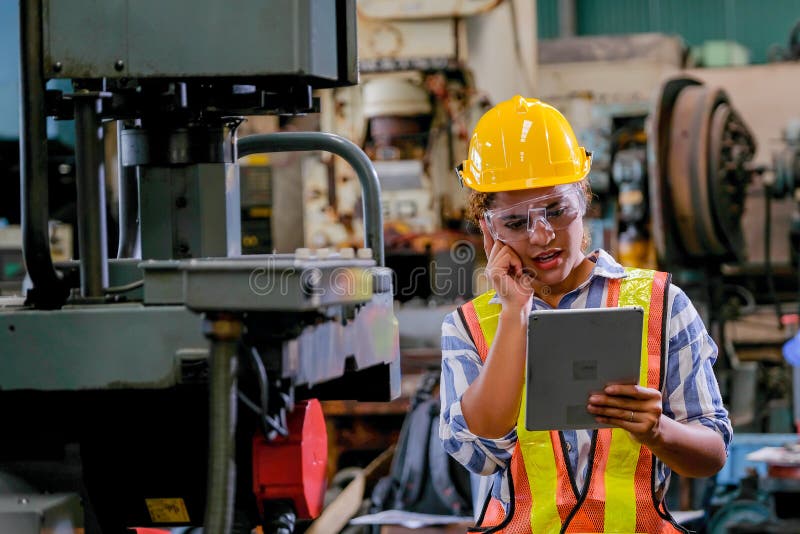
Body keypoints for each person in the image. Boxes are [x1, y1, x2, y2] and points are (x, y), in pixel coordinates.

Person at [439, 95, 731, 533]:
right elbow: (481, 453)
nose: (541, 236)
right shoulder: (470, 327)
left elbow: (711, 455)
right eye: (515, 222)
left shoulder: (661, 304)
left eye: (556, 210)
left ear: (584, 197)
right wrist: (515, 311)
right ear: (488, 228)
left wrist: (658, 432)